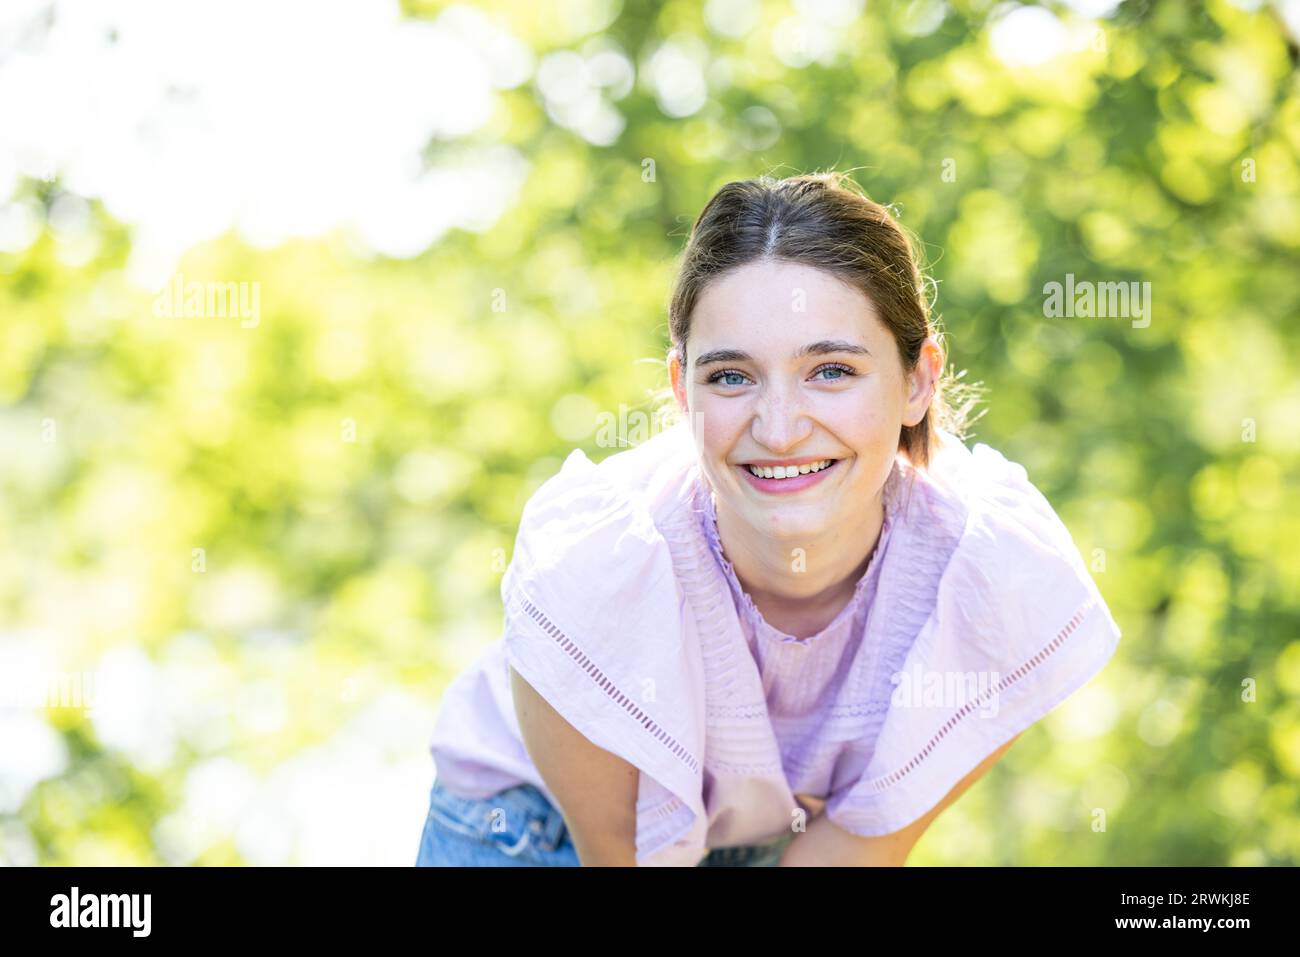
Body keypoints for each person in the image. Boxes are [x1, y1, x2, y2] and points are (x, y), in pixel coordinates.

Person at [415, 171, 1122, 867]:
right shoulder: (593, 574)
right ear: (682, 391)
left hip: (757, 832)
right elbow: (614, 854)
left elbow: (854, 850)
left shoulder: (989, 579)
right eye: (731, 376)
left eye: (832, 370)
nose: (779, 430)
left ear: (917, 379)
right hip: (529, 832)